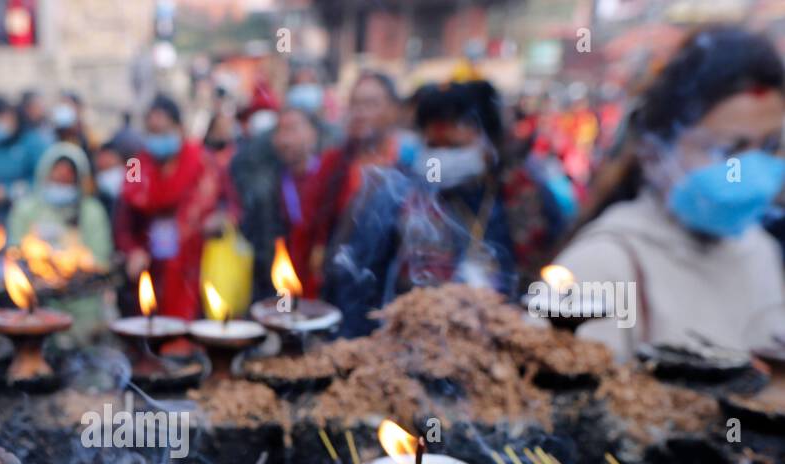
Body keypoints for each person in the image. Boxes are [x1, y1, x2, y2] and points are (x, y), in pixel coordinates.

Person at [555, 27, 785, 359]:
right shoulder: (600, 266)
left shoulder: (759, 252)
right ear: (653, 153)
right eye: (729, 149)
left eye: (770, 145)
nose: (753, 170)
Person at [324, 80, 565, 337]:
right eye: (434, 147)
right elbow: (360, 281)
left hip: (503, 340)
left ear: (488, 143)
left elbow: (551, 267)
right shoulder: (397, 192)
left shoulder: (522, 194)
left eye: (455, 147)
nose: (443, 157)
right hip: (415, 345)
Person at [114, 94, 231, 319]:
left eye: (164, 132)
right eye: (152, 133)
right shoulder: (135, 164)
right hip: (151, 262)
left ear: (180, 128)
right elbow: (123, 218)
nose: (157, 139)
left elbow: (229, 204)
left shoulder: (204, 162)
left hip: (197, 262)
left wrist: (219, 220)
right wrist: (131, 250)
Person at [293, 72, 407, 294]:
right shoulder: (332, 164)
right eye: (355, 104)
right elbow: (308, 232)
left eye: (370, 104)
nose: (360, 113)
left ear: (394, 111)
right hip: (339, 289)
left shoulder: (410, 163)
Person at [7, 142, 112, 342]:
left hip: (83, 306)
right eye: (57, 173)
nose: (62, 179)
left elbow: (101, 258)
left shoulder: (91, 211)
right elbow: (15, 251)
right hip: (37, 304)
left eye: (69, 175)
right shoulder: (26, 209)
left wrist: (71, 259)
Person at [231, 106, 319, 299]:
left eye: (293, 129)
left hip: (320, 280)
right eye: (280, 131)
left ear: (312, 134)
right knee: (284, 318)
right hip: (281, 284)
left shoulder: (329, 177)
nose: (285, 140)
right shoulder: (268, 184)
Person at [0, 94, 51, 221]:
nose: (2, 123)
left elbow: (42, 180)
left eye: (7, 119)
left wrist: (8, 192)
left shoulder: (33, 143)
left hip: (26, 213)